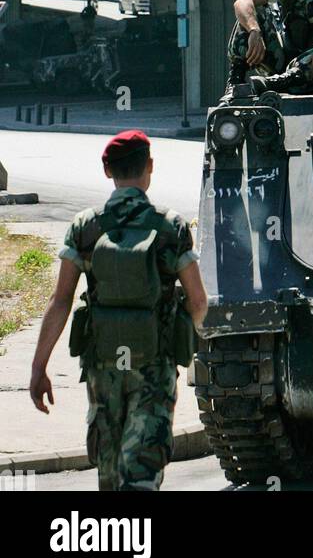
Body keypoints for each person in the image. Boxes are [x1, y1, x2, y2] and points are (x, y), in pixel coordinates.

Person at [29, 130, 207, 492]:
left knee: (108, 474)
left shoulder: (86, 226)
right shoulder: (170, 225)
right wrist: (180, 340)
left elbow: (60, 300)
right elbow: (199, 301)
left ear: (107, 170)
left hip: (102, 367)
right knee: (141, 473)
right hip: (154, 367)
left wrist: (39, 367)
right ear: (150, 167)